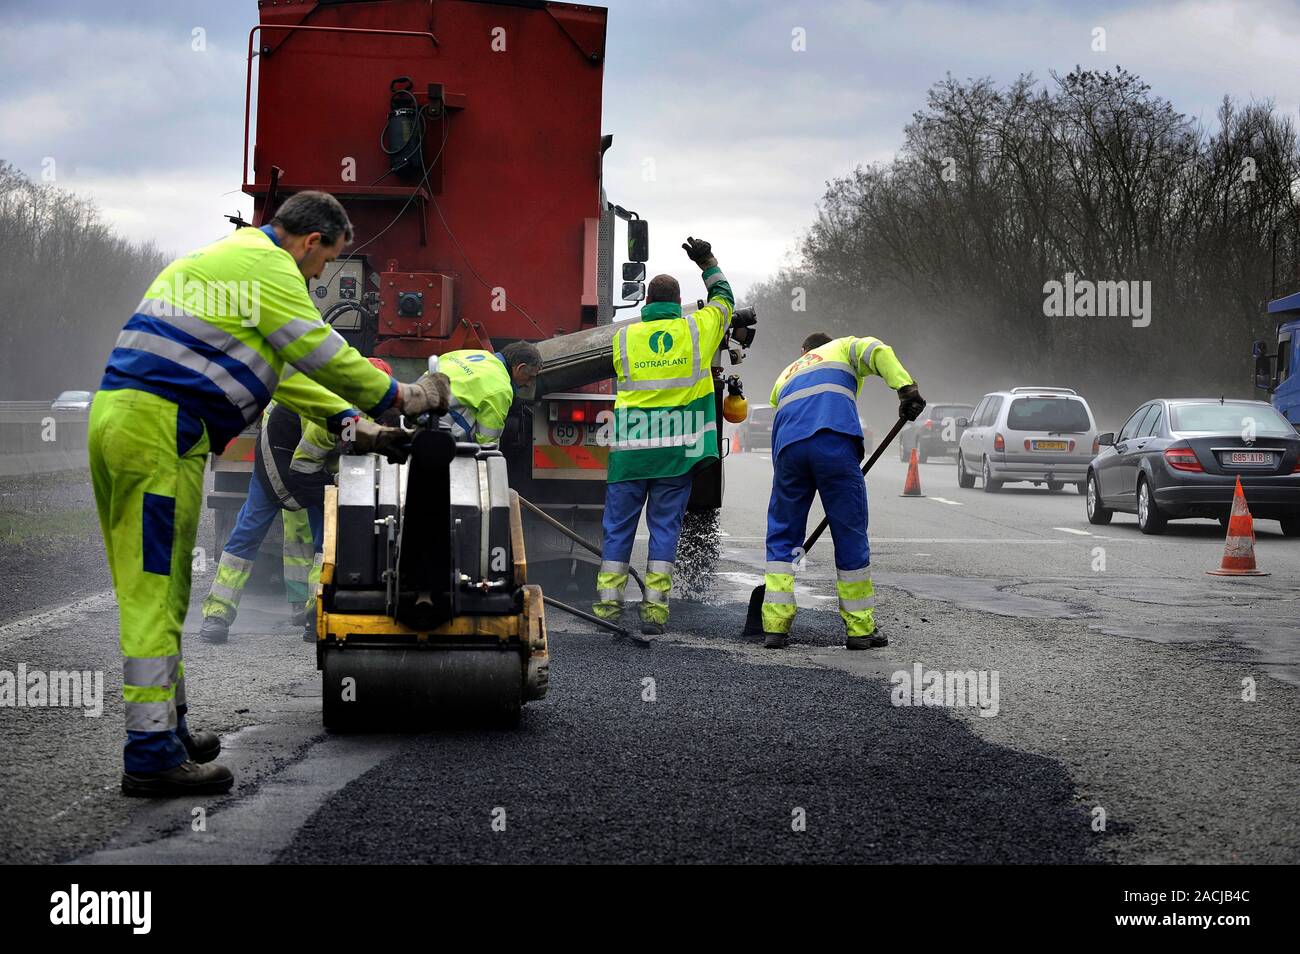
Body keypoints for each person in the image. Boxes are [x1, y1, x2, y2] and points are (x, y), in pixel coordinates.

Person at [88, 190, 449, 797]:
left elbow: (288, 378)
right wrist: (406, 398)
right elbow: (322, 354)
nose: (318, 275)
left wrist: (365, 431)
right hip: (156, 436)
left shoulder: (230, 262)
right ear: (312, 242)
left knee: (167, 586)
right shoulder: (271, 267)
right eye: (324, 262)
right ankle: (149, 756)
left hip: (128, 424)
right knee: (155, 590)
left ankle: (168, 731)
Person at [198, 357, 397, 645]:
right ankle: (217, 614)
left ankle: (314, 616)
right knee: (250, 528)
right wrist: (332, 495)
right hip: (279, 445)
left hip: (312, 459)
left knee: (326, 539)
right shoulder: (336, 415)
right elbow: (303, 468)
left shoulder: (367, 416)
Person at [592, 238, 733, 637]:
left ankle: (607, 606)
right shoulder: (698, 330)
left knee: (617, 529)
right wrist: (707, 261)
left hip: (631, 453)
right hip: (676, 454)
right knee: (665, 529)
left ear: (646, 302)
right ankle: (654, 611)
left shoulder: (623, 339)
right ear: (678, 302)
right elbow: (724, 299)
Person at [760, 331, 925, 649]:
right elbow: (878, 350)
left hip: (789, 453)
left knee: (783, 535)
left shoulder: (786, 373)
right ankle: (860, 629)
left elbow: (780, 414)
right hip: (832, 441)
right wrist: (907, 390)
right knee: (848, 533)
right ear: (827, 344)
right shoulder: (843, 348)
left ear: (803, 350)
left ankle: (774, 626)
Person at [438, 342, 541, 445]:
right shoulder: (501, 389)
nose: (529, 384)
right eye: (530, 377)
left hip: (424, 407)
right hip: (438, 431)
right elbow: (488, 443)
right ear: (520, 368)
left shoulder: (471, 354)